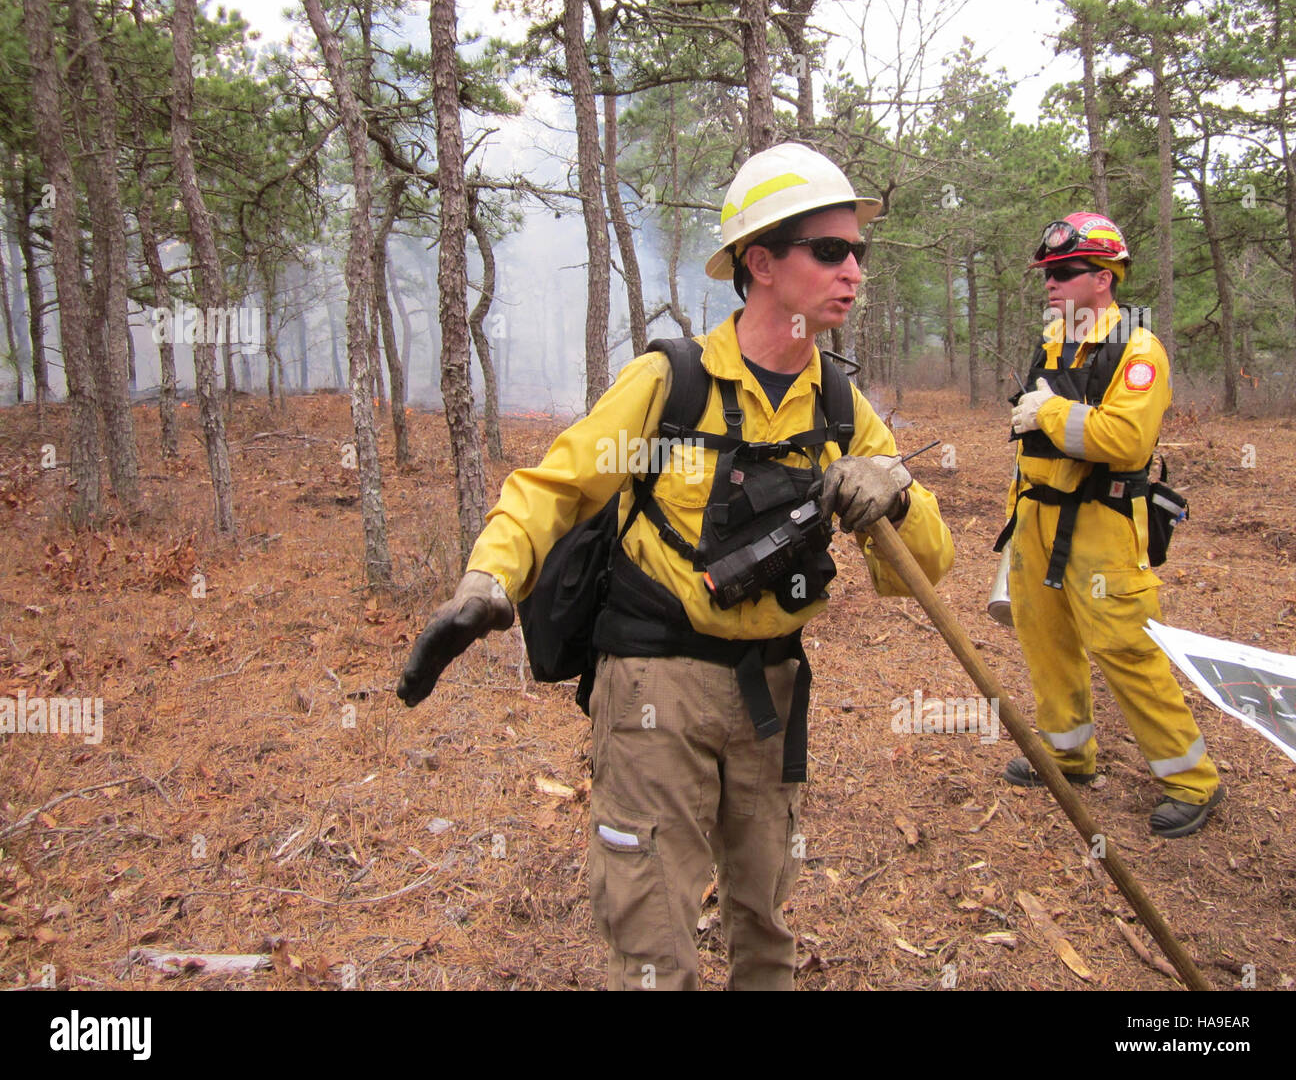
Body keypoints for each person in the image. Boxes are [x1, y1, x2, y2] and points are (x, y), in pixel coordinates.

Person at [396, 142, 954, 989]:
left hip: (771, 691)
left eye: (859, 253)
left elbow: (931, 566)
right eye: (831, 251)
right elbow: (554, 485)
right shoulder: (672, 382)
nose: (854, 270)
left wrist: (899, 492)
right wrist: (488, 581)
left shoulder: (841, 406)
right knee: (654, 937)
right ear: (760, 262)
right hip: (656, 685)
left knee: (765, 920)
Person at [999, 211, 1224, 838]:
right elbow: (1038, 429)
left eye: (1065, 271)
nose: (1050, 282)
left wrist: (1048, 413)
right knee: (1046, 641)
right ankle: (1068, 755)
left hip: (1102, 523)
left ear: (1105, 278)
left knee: (1124, 648)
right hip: (1037, 516)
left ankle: (1191, 780)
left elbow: (1124, 440)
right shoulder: (1054, 339)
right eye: (1046, 271)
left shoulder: (1137, 346)